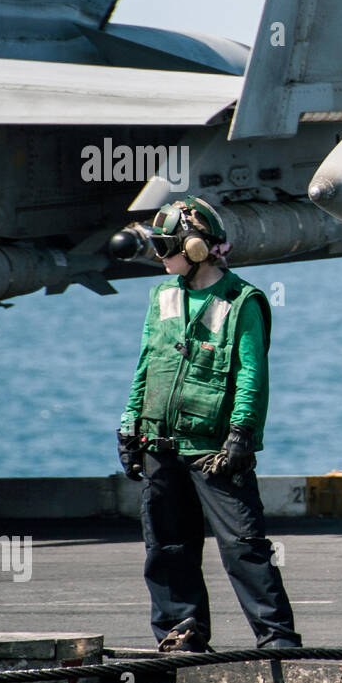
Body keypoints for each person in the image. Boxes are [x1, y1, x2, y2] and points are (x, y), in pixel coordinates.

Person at [117, 196, 299, 652]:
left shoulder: (243, 302)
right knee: (166, 545)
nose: (159, 256)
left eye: (166, 247)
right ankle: (182, 630)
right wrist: (128, 425)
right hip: (159, 440)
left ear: (195, 248)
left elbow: (253, 375)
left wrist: (241, 434)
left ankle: (276, 638)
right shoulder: (163, 295)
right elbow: (147, 362)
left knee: (243, 545)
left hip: (214, 449)